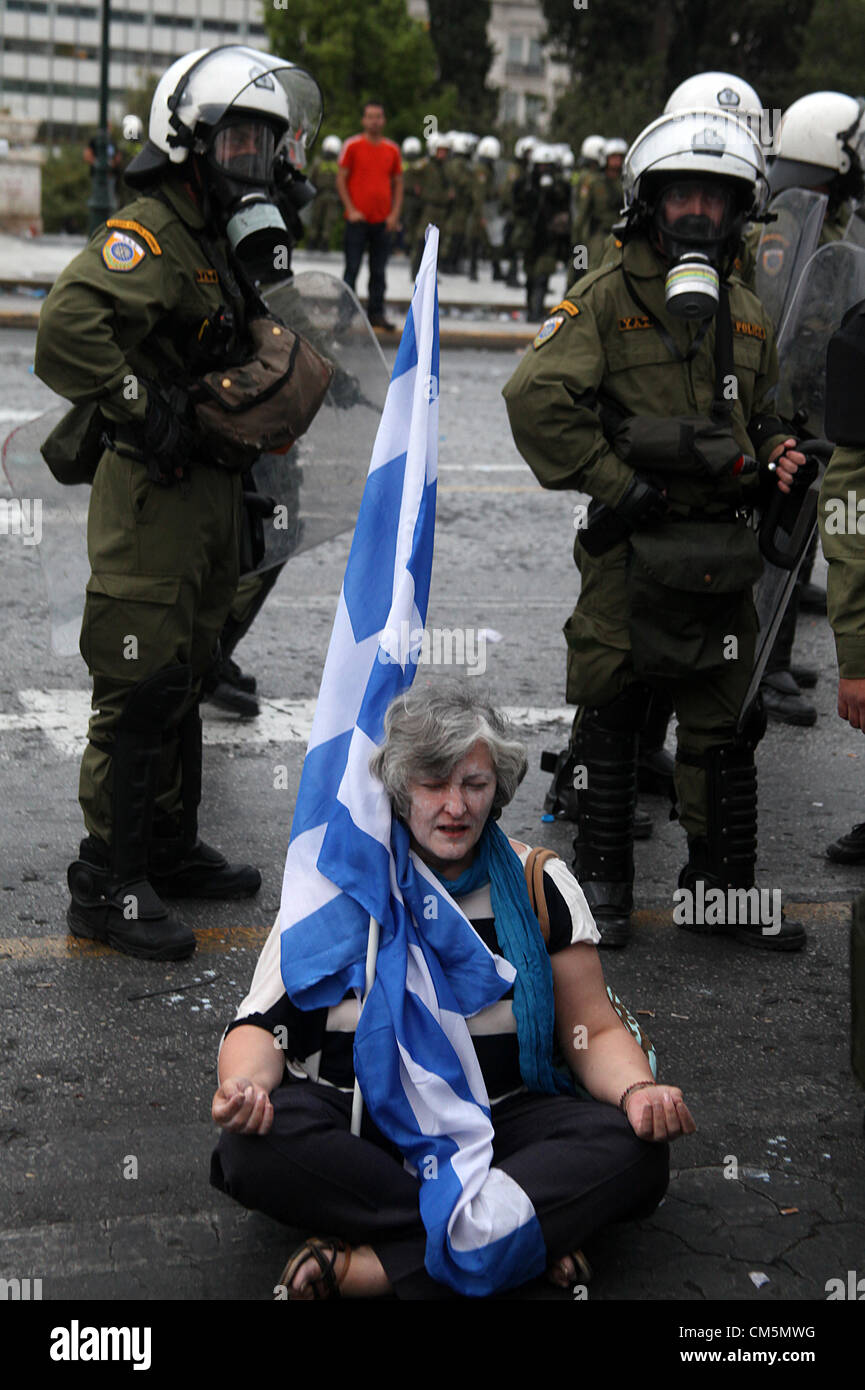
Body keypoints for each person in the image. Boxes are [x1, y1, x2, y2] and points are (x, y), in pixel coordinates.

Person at [210, 686, 692, 1299]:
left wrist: (638, 1091)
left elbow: (591, 1030)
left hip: (500, 1123)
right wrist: (244, 1087)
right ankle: (507, 1236)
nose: (455, 806)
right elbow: (259, 1023)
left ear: (500, 790)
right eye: (432, 783)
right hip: (363, 1127)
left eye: (473, 784)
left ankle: (383, 1266)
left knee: (636, 1149)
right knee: (254, 1149)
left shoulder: (539, 882)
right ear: (398, 788)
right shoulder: (337, 886)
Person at [33, 46, 325, 960]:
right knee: (140, 679)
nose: (254, 159)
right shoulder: (153, 229)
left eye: (265, 143)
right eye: (236, 138)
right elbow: (66, 329)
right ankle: (106, 885)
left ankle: (164, 846)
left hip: (208, 492)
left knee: (189, 670)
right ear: (187, 141)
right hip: (152, 496)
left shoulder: (219, 239)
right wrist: (140, 407)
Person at [503, 107, 808, 953]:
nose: (698, 213)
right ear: (647, 201)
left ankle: (720, 894)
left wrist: (780, 451)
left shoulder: (744, 313)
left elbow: (768, 415)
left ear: (740, 208)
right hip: (629, 556)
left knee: (723, 729)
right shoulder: (603, 298)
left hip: (720, 560)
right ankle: (599, 896)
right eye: (681, 195)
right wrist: (616, 485)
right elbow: (534, 399)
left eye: (716, 197)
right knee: (612, 717)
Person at [337, 101, 402, 331]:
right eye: (370, 116)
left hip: (382, 221)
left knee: (378, 271)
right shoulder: (352, 146)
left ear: (383, 120)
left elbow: (398, 183)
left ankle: (376, 313)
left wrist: (395, 214)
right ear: (364, 120)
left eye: (379, 116)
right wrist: (351, 209)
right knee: (351, 268)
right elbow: (341, 179)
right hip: (358, 220)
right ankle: (344, 316)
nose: (375, 121)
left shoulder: (392, 149)